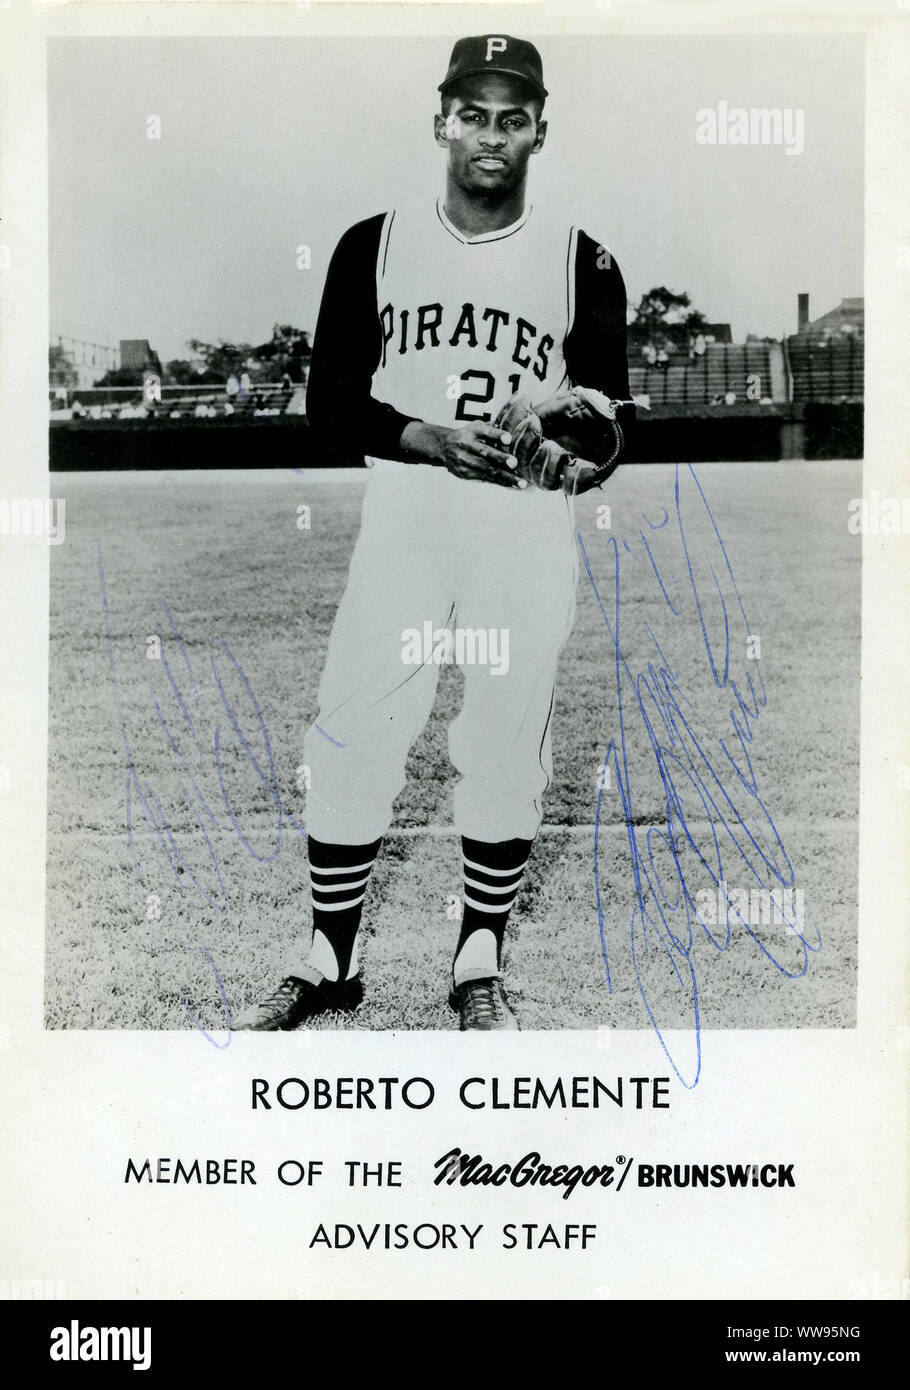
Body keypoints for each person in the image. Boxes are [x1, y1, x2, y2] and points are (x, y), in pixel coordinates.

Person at [235, 33, 633, 1032]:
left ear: (539, 127)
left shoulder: (586, 260)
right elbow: (329, 402)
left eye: (511, 116)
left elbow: (609, 418)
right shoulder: (372, 243)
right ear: (439, 118)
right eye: (472, 113)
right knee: (356, 724)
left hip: (521, 531)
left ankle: (477, 959)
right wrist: (425, 438)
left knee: (503, 742)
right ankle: (327, 959)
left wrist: (556, 432)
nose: (489, 136)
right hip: (405, 523)